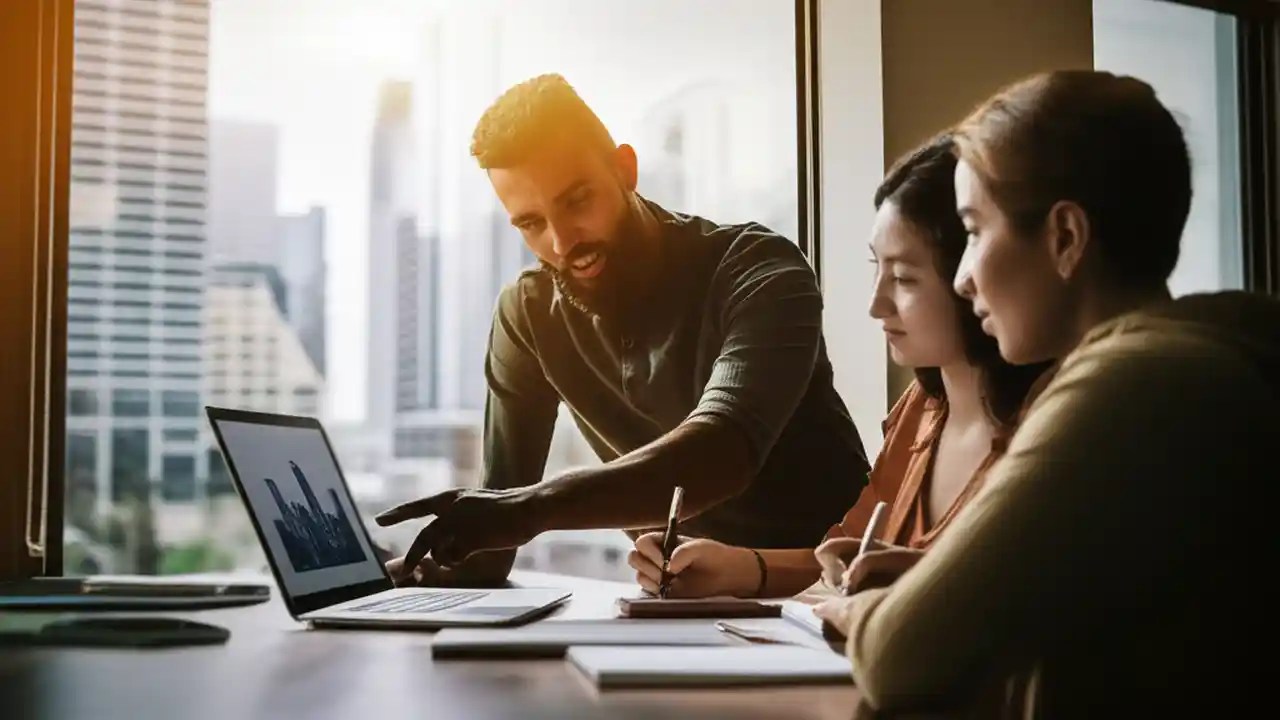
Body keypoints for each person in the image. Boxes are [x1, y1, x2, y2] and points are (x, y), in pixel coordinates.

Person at [815, 70, 1280, 717]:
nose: (966, 277)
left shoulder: (1128, 384)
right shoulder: (1206, 359)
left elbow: (900, 659)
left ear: (1065, 238)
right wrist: (931, 577)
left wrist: (863, 610)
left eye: (974, 231)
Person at [375, 73, 870, 587]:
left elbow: (720, 453)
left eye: (577, 200)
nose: (562, 242)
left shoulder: (758, 269)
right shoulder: (527, 316)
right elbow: (493, 542)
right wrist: (385, 574)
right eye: (531, 224)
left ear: (625, 169)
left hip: (833, 600)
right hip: (679, 611)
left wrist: (529, 509)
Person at [628, 134, 1051, 599]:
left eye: (904, 279)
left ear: (970, 271)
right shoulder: (922, 409)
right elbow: (846, 555)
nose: (876, 304)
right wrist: (739, 567)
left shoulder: (1049, 424)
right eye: (877, 267)